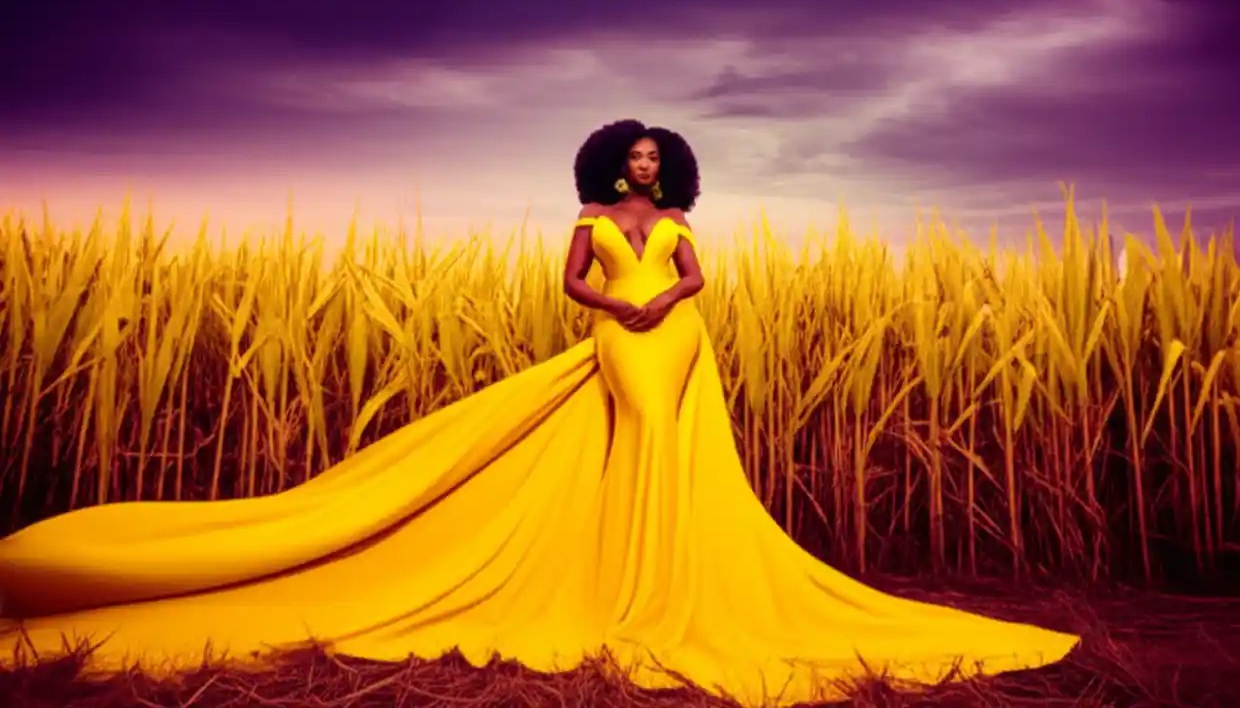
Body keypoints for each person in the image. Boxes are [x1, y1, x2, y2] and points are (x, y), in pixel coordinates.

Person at [0, 119, 1079, 707]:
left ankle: (659, 582)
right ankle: (631, 582)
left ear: (670, 170)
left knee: (668, 435)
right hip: (620, 335)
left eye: (656, 160)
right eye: (635, 159)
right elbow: (568, 285)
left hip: (678, 335)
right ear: (613, 164)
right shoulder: (592, 218)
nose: (645, 169)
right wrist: (619, 297)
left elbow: (701, 280)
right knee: (639, 430)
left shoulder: (678, 223)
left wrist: (666, 292)